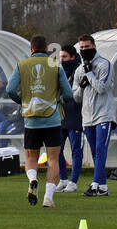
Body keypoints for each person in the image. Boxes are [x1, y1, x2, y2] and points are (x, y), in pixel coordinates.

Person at [6, 34, 74, 208]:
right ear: (46, 49)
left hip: (31, 120)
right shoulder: (55, 65)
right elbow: (68, 94)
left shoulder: (22, 65)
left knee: (31, 157)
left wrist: (22, 102)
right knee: (53, 159)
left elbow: (10, 89)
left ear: (31, 49)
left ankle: (33, 179)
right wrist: (60, 101)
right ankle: (48, 198)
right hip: (52, 119)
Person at [73, 34, 116, 197]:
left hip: (104, 115)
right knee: (94, 152)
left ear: (94, 46)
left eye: (87, 47)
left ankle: (95, 185)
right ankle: (103, 187)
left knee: (100, 150)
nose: (84, 50)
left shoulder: (105, 64)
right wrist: (82, 85)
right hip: (87, 117)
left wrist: (89, 75)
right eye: (82, 48)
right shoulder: (79, 70)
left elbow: (102, 88)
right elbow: (76, 96)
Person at [55, 44, 85, 192]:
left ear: (73, 57)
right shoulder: (59, 71)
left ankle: (73, 182)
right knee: (56, 150)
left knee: (76, 150)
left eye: (65, 57)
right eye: (60, 57)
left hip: (76, 116)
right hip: (61, 116)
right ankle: (63, 179)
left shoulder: (80, 70)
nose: (62, 60)